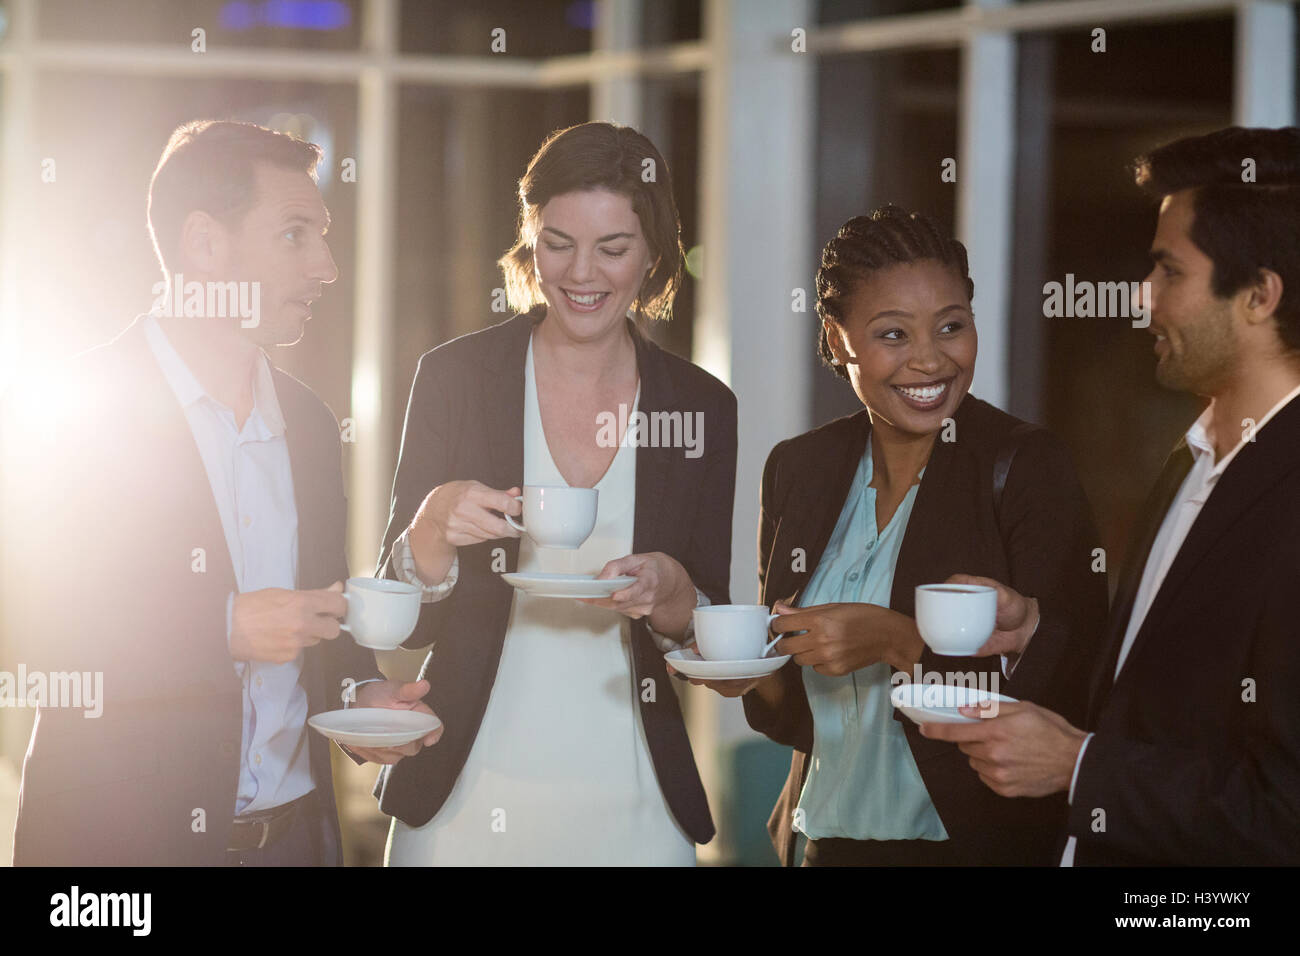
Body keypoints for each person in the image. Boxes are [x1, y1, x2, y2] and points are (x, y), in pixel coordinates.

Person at [4, 120, 437, 866]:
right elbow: (23, 645)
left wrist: (356, 695)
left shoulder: (307, 421)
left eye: (323, 236)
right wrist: (221, 628)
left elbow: (310, 626)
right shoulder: (70, 410)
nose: (327, 267)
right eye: (296, 236)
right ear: (204, 246)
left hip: (296, 843)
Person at [922, 127, 1300, 866]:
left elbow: (1285, 813)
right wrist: (1035, 630)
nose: (1140, 298)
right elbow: (1160, 681)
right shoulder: (1193, 458)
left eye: (1168, 273)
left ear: (1258, 295)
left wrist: (1079, 768)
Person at [688, 206, 1107, 866]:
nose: (929, 358)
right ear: (837, 337)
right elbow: (798, 715)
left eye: (951, 326)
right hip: (822, 844)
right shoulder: (800, 467)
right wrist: (749, 672)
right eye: (893, 333)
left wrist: (897, 640)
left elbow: (1069, 690)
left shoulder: (1025, 465)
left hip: (970, 849)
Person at [373, 121, 737, 865]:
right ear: (529, 239)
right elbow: (397, 631)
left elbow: (707, 638)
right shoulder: (455, 379)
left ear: (653, 253)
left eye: (613, 248)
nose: (582, 273)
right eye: (558, 242)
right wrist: (433, 528)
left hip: (634, 801)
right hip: (463, 799)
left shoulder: (700, 407)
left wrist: (673, 591)